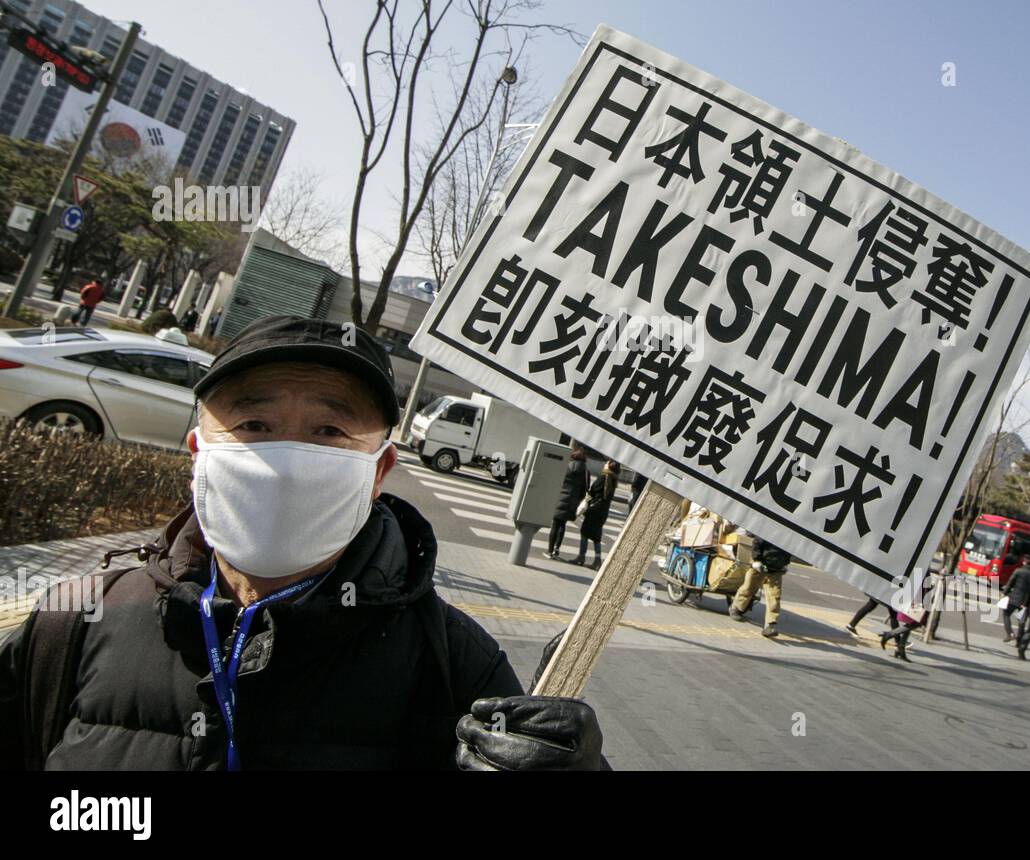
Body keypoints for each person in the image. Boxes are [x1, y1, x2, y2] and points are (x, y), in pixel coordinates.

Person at [0, 315, 604, 770]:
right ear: (198, 453)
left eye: (329, 430)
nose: (285, 463)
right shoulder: (77, 621)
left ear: (380, 470)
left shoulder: (454, 664)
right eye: (253, 425)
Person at [729, 538, 791, 638]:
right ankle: (736, 607)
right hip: (760, 564)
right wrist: (756, 559)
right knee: (749, 588)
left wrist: (785, 563)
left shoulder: (790, 535)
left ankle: (770, 625)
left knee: (774, 597)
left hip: (776, 569)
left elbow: (789, 550)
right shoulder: (770, 530)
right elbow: (757, 542)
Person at [569, 459, 619, 570]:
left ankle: (581, 557)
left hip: (595, 511)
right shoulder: (613, 479)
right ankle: (597, 559)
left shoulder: (603, 477)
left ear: (609, 466)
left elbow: (592, 491)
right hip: (603, 512)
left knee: (584, 532)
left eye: (606, 463)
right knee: (596, 537)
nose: (604, 464)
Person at [548, 446, 589, 560]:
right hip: (573, 501)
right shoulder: (585, 471)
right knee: (562, 525)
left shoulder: (566, 466)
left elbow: (557, 480)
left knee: (555, 525)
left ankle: (550, 550)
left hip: (561, 497)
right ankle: (557, 549)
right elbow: (585, 488)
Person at [1001, 558, 1030, 642]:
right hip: (1026, 601)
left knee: (1006, 614)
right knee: (1021, 620)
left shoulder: (1018, 571)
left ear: (1025, 562)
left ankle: (1010, 634)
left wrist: (1005, 592)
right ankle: (1019, 640)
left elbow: (1010, 582)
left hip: (1014, 597)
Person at [879, 597, 927, 661]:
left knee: (911, 621)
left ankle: (900, 648)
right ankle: (889, 635)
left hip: (918, 595)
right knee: (916, 622)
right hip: (919, 595)